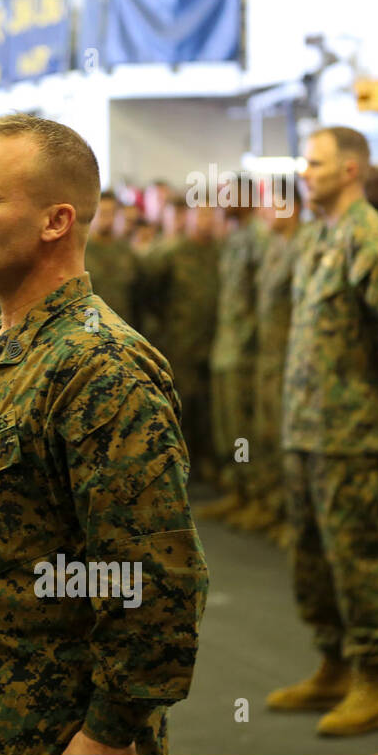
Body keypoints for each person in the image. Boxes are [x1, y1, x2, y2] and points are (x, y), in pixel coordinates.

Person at [0, 114, 208, 755]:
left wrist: (105, 738)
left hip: (57, 735)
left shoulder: (99, 367)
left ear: (56, 221)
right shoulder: (4, 342)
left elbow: (153, 581)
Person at [267, 127, 378, 736]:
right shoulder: (319, 235)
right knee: (312, 559)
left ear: (350, 170)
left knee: (356, 559)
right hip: (307, 428)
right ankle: (331, 665)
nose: (306, 170)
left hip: (352, 434)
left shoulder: (369, 239)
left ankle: (372, 682)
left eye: (316, 162)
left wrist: (372, 398)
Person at [141, 196, 219, 486]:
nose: (206, 220)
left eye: (211, 215)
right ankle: (179, 468)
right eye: (201, 214)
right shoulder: (170, 254)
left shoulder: (218, 252)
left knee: (208, 408)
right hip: (179, 343)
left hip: (210, 342)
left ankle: (208, 463)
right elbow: (149, 295)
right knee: (179, 407)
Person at [202, 188, 266, 528]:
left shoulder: (259, 238)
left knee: (245, 429)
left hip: (246, 351)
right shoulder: (235, 237)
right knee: (230, 427)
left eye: (229, 196)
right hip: (226, 347)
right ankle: (239, 492)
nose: (221, 203)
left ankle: (257, 495)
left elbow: (262, 299)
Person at [251, 178, 304, 545]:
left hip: (291, 362)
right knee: (267, 434)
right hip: (269, 358)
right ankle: (270, 505)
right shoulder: (274, 247)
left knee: (288, 442)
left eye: (272, 205)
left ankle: (293, 515)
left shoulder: (303, 247)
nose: (264, 212)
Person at [84, 189, 141, 330]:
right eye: (102, 213)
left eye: (112, 213)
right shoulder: (82, 251)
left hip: (122, 328)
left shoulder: (126, 252)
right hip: (91, 328)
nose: (107, 219)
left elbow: (137, 296)